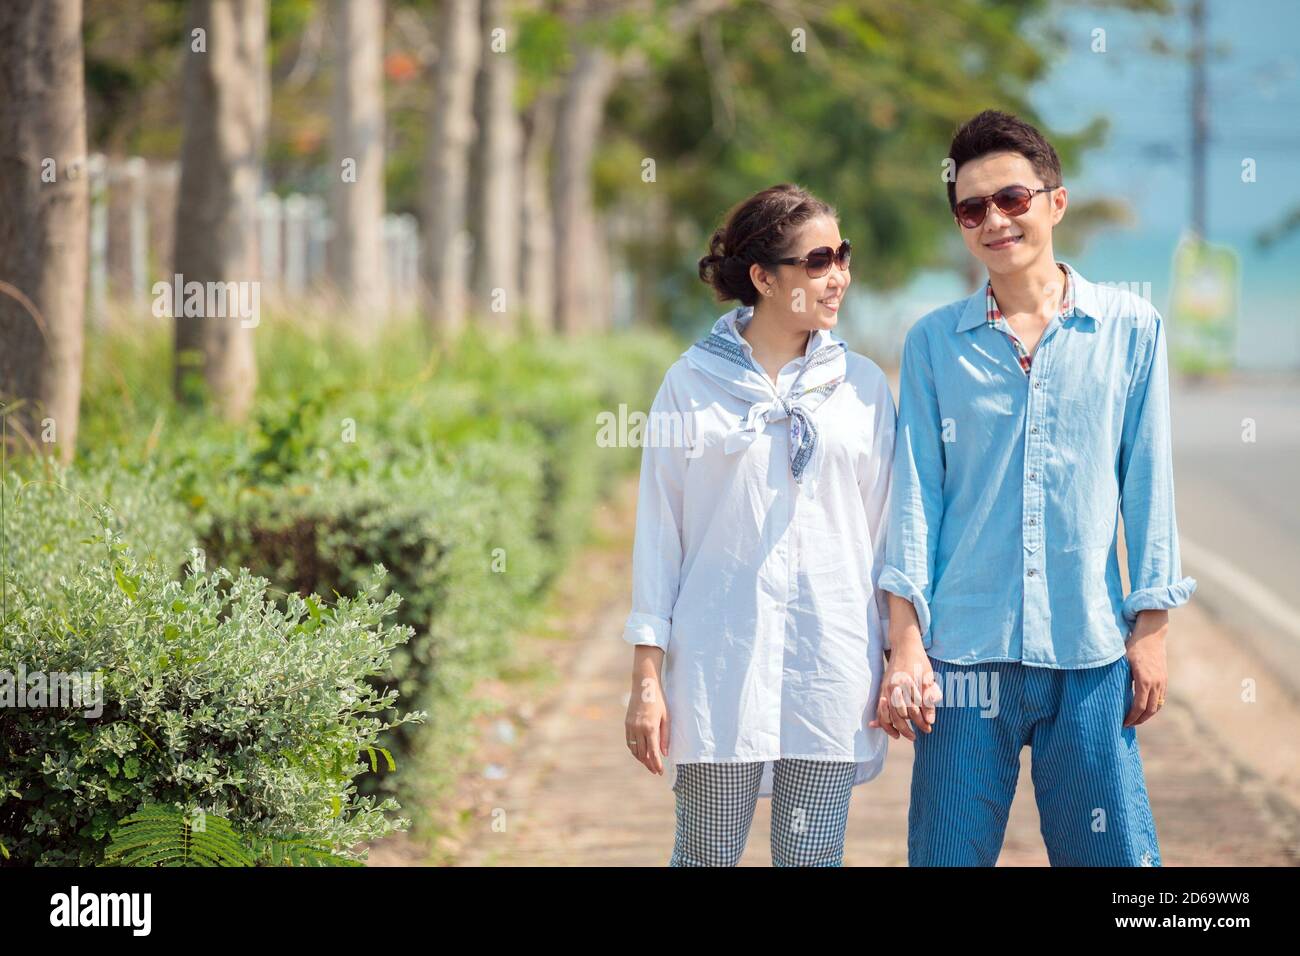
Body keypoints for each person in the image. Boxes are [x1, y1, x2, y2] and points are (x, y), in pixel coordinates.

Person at [874, 109, 1197, 866]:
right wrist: (906, 645)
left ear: (1055, 201)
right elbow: (915, 500)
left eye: (1012, 198)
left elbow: (1149, 483)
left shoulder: (1131, 330)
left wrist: (1150, 629)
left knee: (1114, 864)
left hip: (1088, 651)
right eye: (972, 208)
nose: (994, 220)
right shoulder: (931, 344)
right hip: (962, 659)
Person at [620, 183, 897, 866]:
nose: (839, 276)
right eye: (819, 260)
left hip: (828, 668)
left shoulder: (862, 387)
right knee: (706, 857)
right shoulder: (689, 385)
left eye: (844, 256)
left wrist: (902, 655)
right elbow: (660, 540)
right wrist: (646, 682)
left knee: (811, 859)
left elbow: (887, 533)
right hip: (718, 668)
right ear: (764, 278)